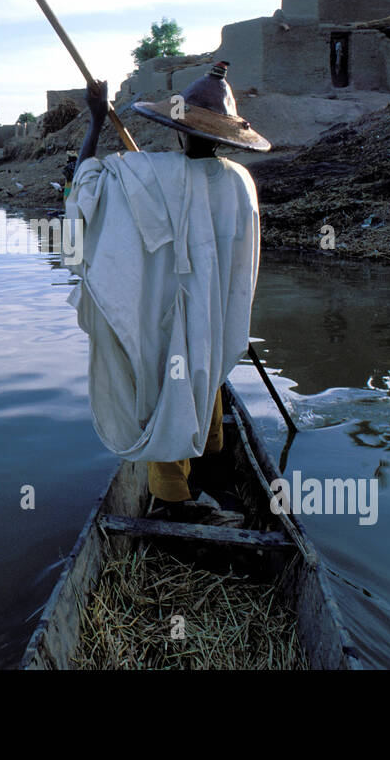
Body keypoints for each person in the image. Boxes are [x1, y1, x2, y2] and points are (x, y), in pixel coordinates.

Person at [66, 60, 268, 526]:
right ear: (226, 138)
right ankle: (210, 458)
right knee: (208, 360)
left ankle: (172, 499)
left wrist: (97, 119)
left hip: (166, 306)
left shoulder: (146, 173)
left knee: (168, 379)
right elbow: (240, 265)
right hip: (214, 308)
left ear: (178, 129)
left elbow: (84, 191)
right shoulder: (240, 182)